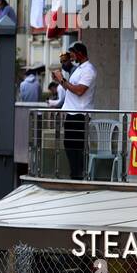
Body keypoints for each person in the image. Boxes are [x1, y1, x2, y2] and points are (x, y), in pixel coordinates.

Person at [52, 42, 96, 179]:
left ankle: (78, 174)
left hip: (80, 113)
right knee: (69, 144)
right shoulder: (79, 69)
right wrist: (60, 81)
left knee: (77, 146)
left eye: (73, 54)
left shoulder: (89, 70)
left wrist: (63, 80)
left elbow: (79, 91)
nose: (71, 57)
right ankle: (75, 173)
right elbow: (70, 90)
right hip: (71, 112)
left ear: (80, 54)